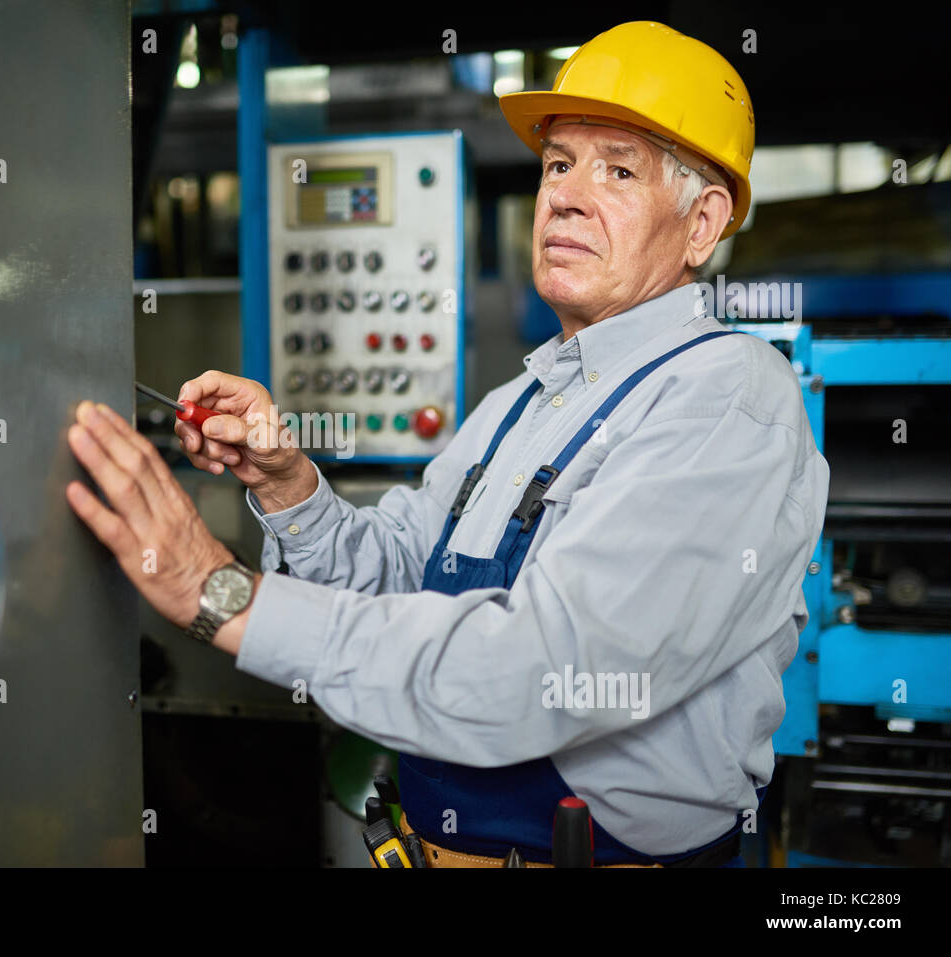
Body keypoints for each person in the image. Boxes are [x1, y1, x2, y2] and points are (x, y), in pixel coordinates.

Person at [66, 21, 829, 866]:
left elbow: (546, 670)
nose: (566, 196)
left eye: (617, 168)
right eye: (559, 164)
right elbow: (403, 572)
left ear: (702, 222)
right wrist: (289, 483)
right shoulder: (521, 401)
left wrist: (222, 595)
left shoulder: (729, 399)